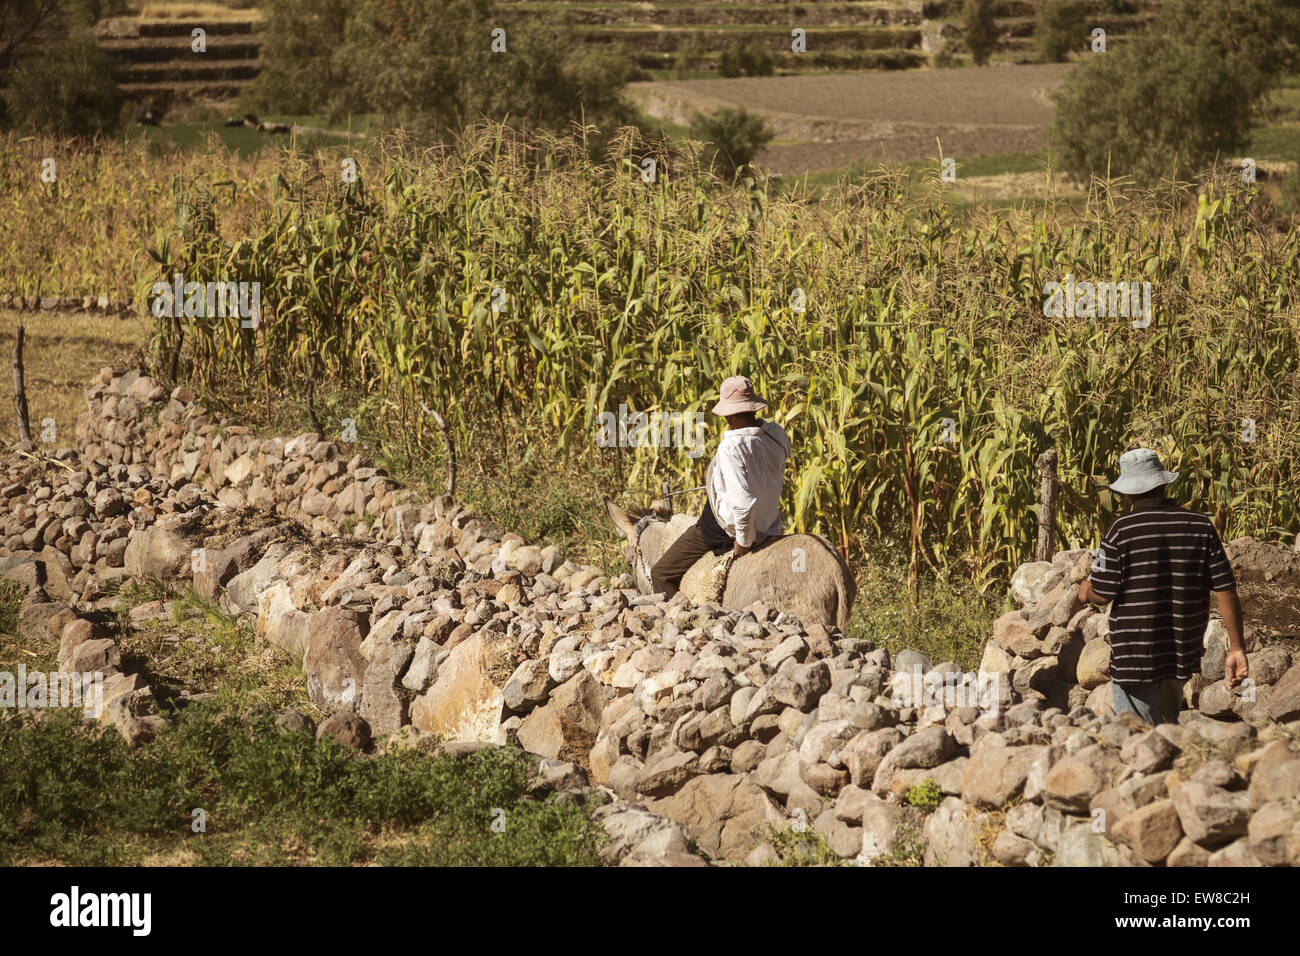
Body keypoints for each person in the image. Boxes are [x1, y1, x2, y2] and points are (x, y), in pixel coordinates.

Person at [1078, 448, 1249, 725]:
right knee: (1168, 730)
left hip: (1136, 654)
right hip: (1181, 653)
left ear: (1128, 492)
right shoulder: (1200, 527)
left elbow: (1103, 592)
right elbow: (1225, 589)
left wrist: (1086, 590)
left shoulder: (1121, 529)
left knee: (1138, 740)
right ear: (1163, 484)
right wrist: (1237, 648)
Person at [650, 375, 791, 597]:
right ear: (753, 408)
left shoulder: (731, 448)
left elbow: (743, 505)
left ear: (729, 416)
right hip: (770, 524)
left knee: (660, 573)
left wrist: (742, 543)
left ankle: (677, 622)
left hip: (722, 529)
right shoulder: (776, 434)